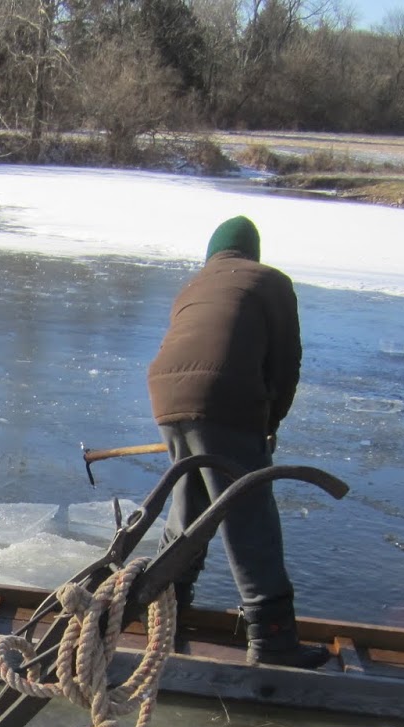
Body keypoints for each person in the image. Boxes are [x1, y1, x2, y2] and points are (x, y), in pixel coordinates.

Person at [145, 215, 329, 669]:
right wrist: (270, 424)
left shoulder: (193, 285)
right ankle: (272, 639)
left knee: (188, 507)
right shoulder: (270, 281)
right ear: (252, 252)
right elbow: (286, 363)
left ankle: (167, 612)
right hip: (228, 396)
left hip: (166, 395)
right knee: (249, 515)